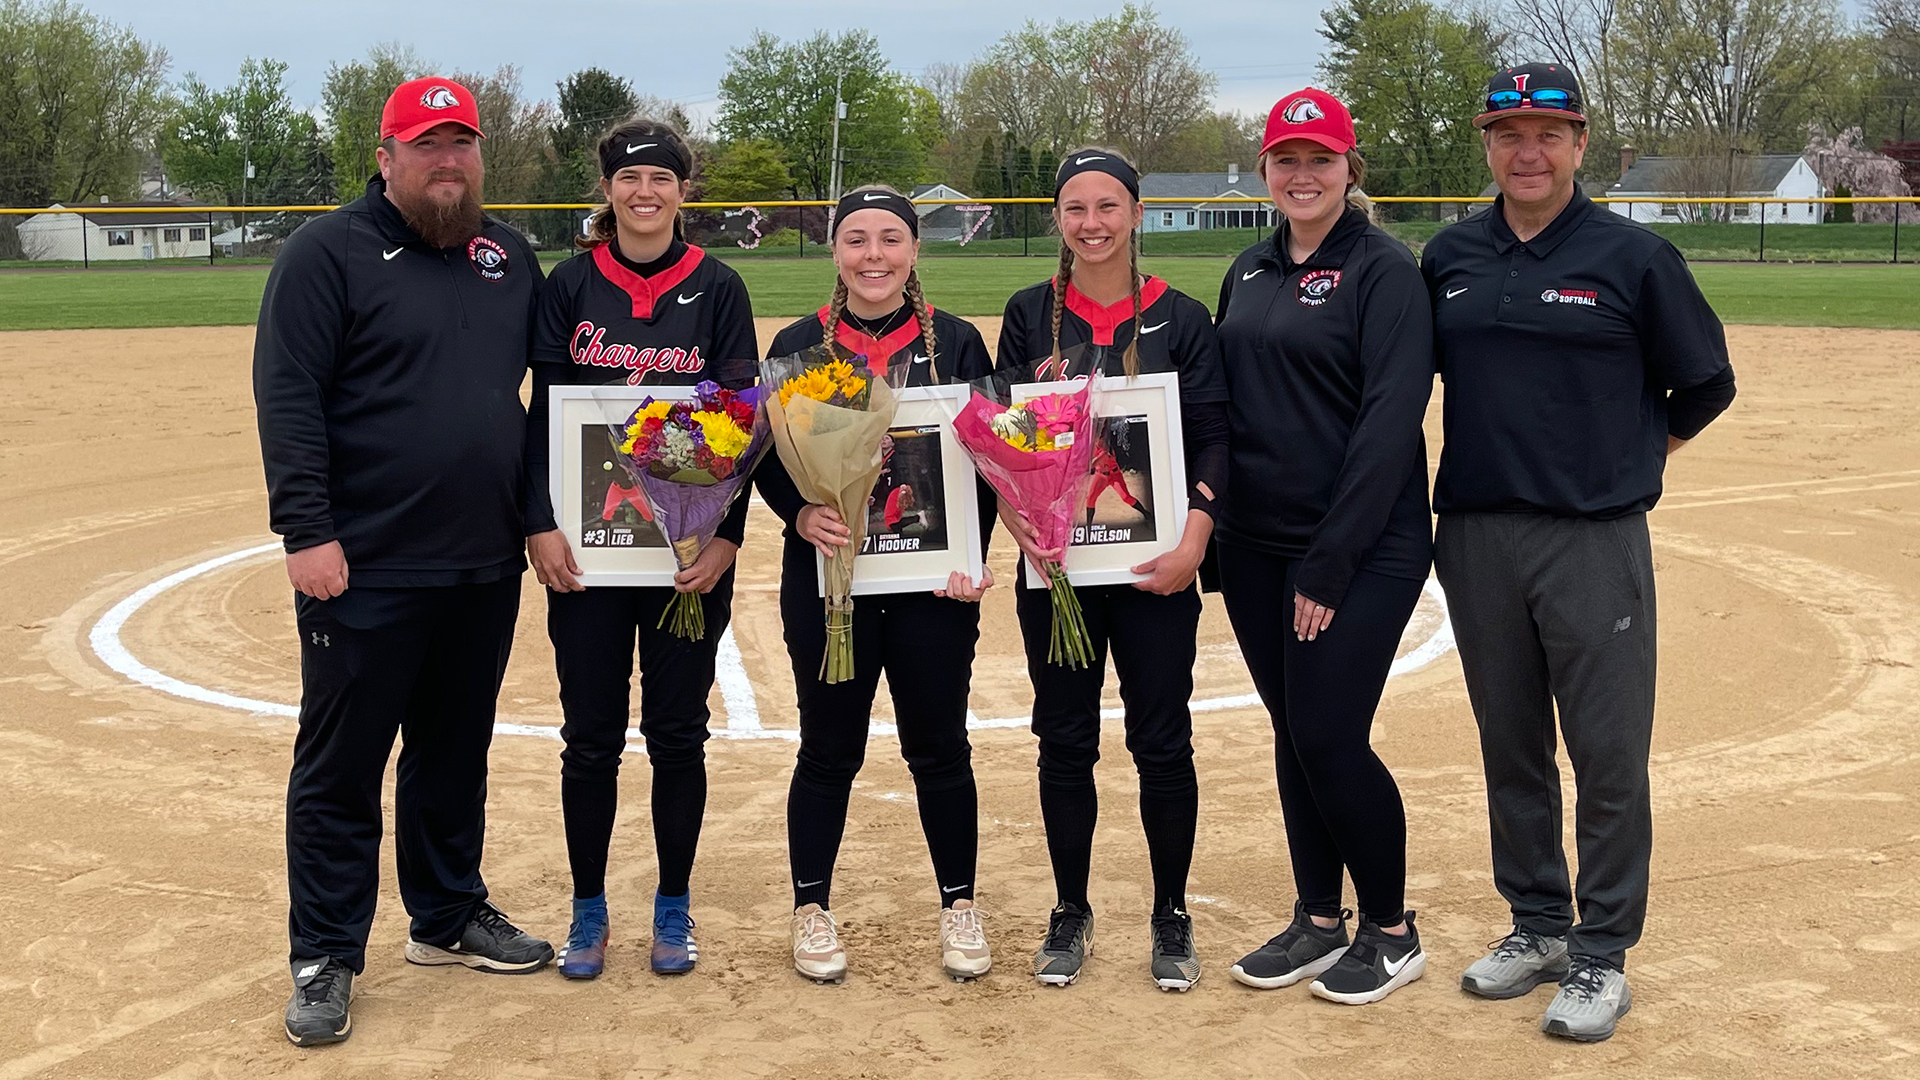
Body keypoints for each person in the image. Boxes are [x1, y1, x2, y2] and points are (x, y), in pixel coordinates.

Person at [1423, 64, 1737, 1041]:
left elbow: (1707, 383)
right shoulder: (1449, 257)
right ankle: (1538, 926)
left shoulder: (1633, 256)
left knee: (1606, 757)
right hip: (1476, 534)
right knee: (1511, 747)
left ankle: (1603, 953)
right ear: (1486, 142)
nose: (1527, 151)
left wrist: (1634, 457)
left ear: (1580, 143)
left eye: (1547, 135)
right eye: (1508, 133)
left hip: (1592, 539)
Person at [255, 76, 554, 1047]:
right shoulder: (326, 254)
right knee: (342, 765)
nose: (448, 160)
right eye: (427, 144)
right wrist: (306, 532)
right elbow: (289, 396)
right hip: (365, 564)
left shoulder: (509, 255)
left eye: (462, 143)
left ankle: (446, 914)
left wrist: (540, 517)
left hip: (480, 560)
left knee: (453, 751)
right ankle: (326, 953)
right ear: (385, 158)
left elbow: (546, 402)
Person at [1209, 89, 1435, 1005]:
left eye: (1322, 158)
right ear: (1265, 170)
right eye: (1287, 158)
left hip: (1359, 547)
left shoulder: (1384, 271)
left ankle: (1391, 928)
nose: (1304, 175)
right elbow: (1224, 407)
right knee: (1293, 733)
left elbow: (1389, 424)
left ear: (1350, 169)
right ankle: (1316, 916)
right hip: (1257, 546)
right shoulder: (1250, 268)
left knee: (1331, 735)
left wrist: (1333, 560)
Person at [523, 119, 758, 980]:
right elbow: (543, 414)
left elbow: (741, 419)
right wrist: (540, 522)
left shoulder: (719, 286)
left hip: (682, 551)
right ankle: (589, 911)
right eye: (630, 180)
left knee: (677, 735)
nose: (645, 193)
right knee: (589, 737)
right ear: (609, 190)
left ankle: (672, 908)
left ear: (683, 191)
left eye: (662, 178)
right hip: (589, 549)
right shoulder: (571, 285)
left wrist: (726, 536)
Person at [995, 148, 1229, 991]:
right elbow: (1005, 437)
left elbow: (1212, 437)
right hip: (1058, 571)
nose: (1090, 224)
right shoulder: (1029, 316)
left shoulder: (1183, 317)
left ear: (1134, 211)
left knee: (1162, 742)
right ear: (1058, 219)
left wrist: (1196, 536)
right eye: (1073, 210)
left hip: (1154, 566)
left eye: (1106, 207)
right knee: (1064, 740)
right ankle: (1071, 909)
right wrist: (1025, 529)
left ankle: (1171, 912)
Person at [757, 185, 997, 984]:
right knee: (828, 750)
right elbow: (767, 461)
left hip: (931, 588)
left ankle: (960, 904)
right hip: (830, 586)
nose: (873, 256)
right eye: (856, 239)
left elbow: (993, 463)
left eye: (890, 239)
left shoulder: (958, 343)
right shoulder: (798, 344)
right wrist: (798, 515)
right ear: (835, 252)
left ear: (914, 251)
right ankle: (811, 910)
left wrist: (970, 553)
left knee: (939, 748)